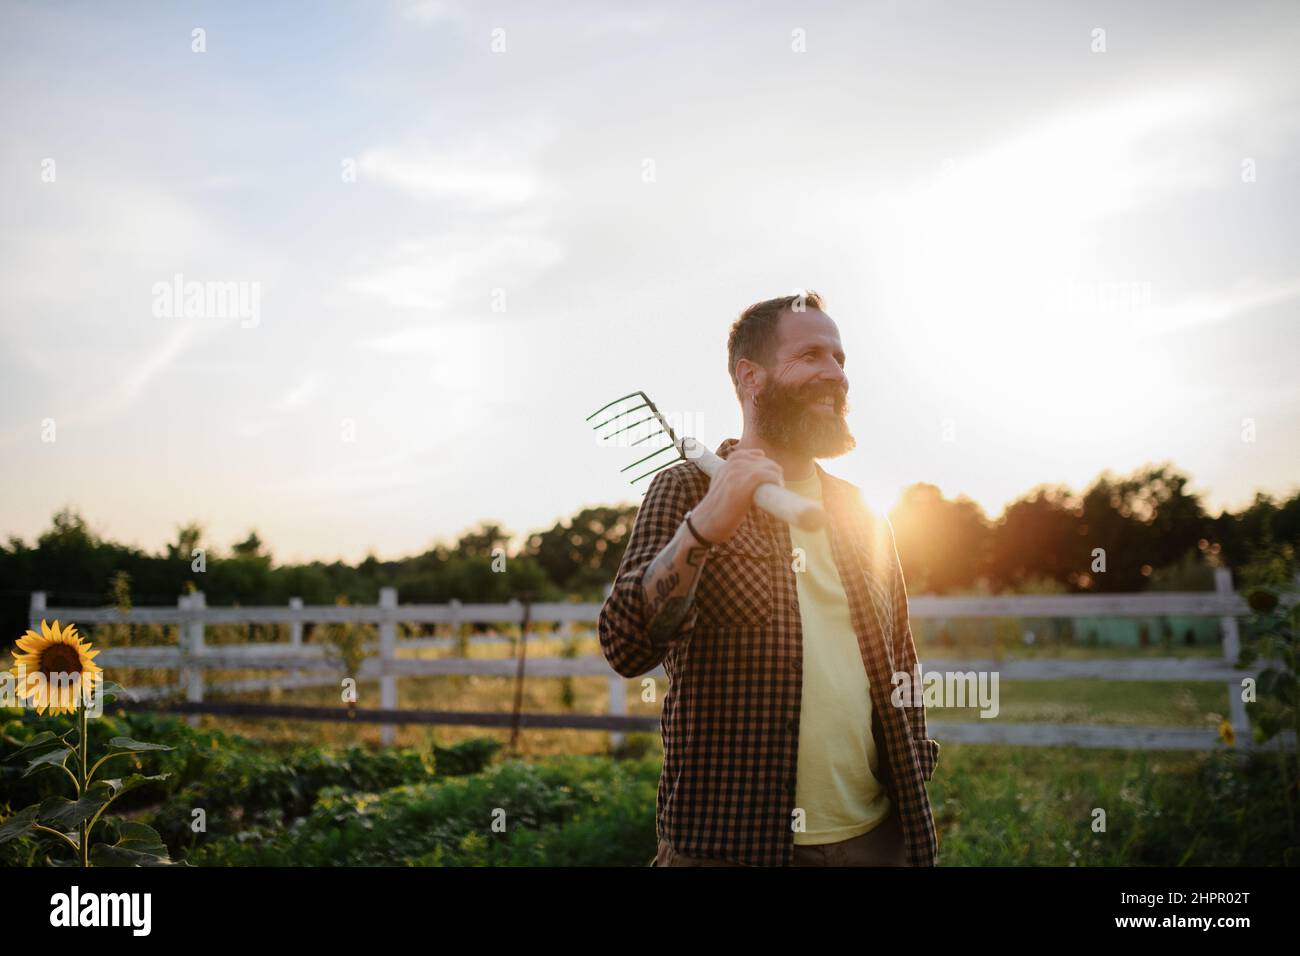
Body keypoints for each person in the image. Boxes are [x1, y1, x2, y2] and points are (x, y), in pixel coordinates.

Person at [598, 291, 940, 867]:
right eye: (811, 356)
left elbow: (900, 657)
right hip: (730, 843)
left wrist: (914, 762)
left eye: (840, 358)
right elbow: (625, 645)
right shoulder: (686, 490)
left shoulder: (863, 511)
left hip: (875, 841)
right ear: (750, 376)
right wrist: (705, 527)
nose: (835, 374)